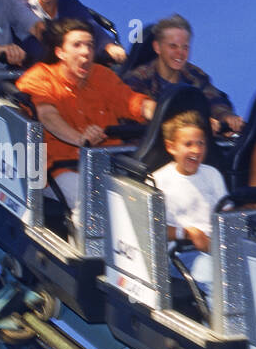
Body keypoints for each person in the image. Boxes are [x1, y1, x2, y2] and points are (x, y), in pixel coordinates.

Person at [16, 18, 155, 230]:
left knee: (152, 195)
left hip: (107, 165)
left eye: (90, 45)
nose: (86, 52)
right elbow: (47, 115)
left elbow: (131, 102)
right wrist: (80, 139)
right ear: (60, 52)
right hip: (60, 169)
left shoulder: (102, 76)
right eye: (77, 45)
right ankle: (91, 255)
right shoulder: (38, 78)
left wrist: (159, 112)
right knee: (93, 199)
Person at [150, 110, 228, 299]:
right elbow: (152, 227)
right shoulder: (157, 181)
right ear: (171, 147)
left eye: (200, 143)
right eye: (188, 144)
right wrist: (188, 233)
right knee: (214, 276)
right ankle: (215, 326)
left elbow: (228, 214)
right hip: (180, 255)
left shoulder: (212, 175)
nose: (196, 150)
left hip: (217, 248)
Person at [122, 15, 243, 136]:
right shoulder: (137, 79)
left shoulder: (195, 76)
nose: (180, 53)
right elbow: (136, 118)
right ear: (157, 47)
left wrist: (226, 117)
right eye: (173, 46)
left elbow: (214, 101)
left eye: (185, 47)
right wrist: (197, 123)